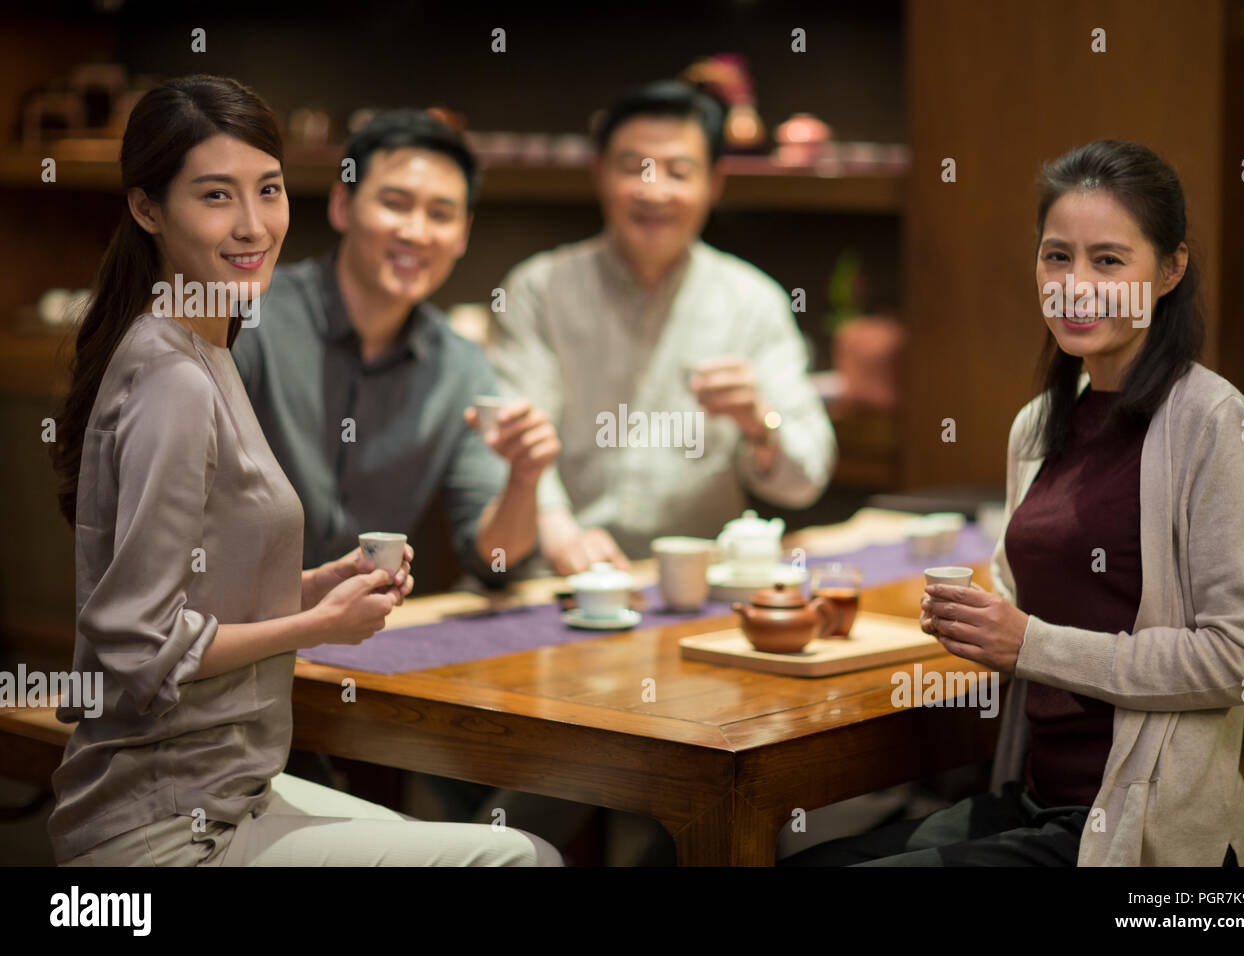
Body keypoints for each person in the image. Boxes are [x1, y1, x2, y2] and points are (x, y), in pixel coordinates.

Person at [45, 74, 562, 866]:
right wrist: (317, 625)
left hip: (234, 783)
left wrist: (314, 585)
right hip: (171, 816)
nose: (251, 224)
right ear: (148, 210)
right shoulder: (186, 370)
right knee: (515, 856)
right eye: (215, 196)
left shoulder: (210, 343)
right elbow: (135, 647)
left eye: (269, 190)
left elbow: (493, 558)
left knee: (496, 837)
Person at [782, 139, 1244, 867]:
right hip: (1031, 796)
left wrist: (1029, 643)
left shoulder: (1211, 422)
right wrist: (971, 627)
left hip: (1135, 827)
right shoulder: (1038, 424)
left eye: (1108, 260)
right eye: (1057, 257)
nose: (1075, 285)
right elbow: (1028, 610)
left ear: (1170, 269)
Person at [487, 79, 837, 574]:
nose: (654, 191)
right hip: (557, 582)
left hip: (700, 588)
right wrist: (561, 533)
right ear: (599, 174)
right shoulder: (538, 292)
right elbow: (513, 442)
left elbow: (806, 480)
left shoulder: (753, 302)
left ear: (714, 184)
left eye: (679, 171)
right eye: (634, 169)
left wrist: (761, 420)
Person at [232, 109, 559, 585]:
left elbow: (492, 557)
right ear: (342, 205)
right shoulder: (249, 318)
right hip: (235, 625)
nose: (416, 232)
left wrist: (525, 479)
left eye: (441, 214)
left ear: (463, 233)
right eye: (395, 203)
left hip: (368, 635)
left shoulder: (460, 365)